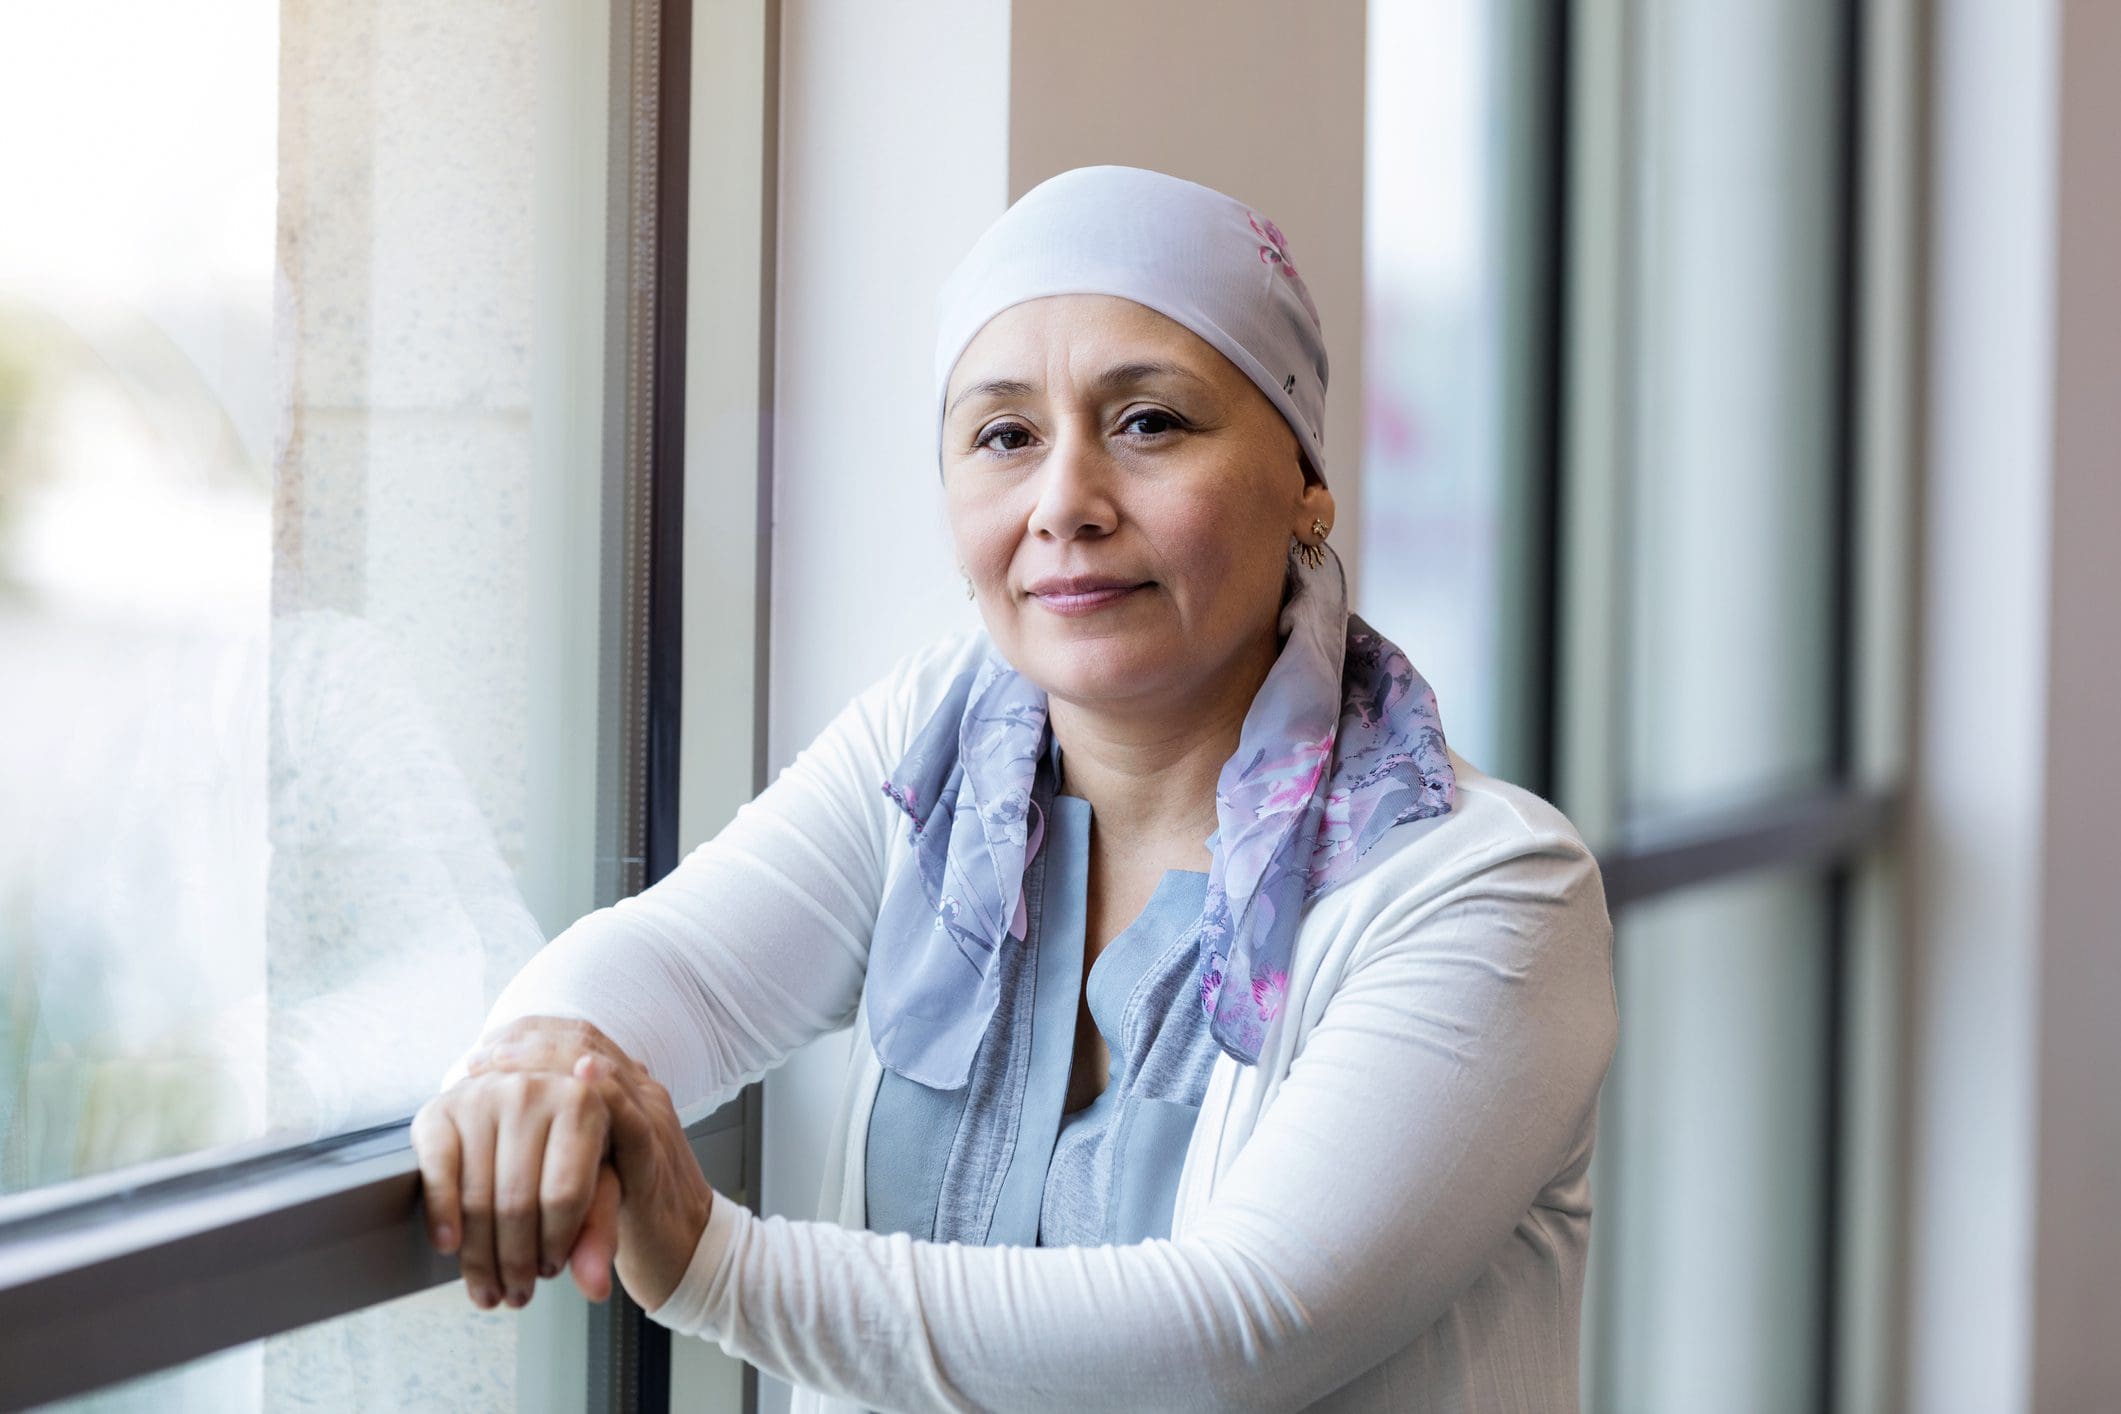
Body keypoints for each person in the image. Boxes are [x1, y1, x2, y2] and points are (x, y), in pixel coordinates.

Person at [413, 164, 1618, 1413]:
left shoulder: (1487, 889)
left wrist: (715, 1260)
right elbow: (683, 973)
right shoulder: (937, 744)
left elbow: (1240, 1328)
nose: (1065, 505)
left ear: (1307, 480)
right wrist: (543, 1059)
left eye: (1150, 422)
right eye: (1005, 436)